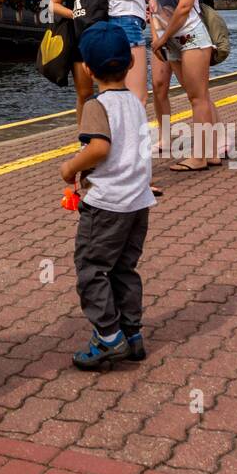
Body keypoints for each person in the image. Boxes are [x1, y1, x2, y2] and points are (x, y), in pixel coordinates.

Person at [60, 21, 155, 370]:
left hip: (107, 205)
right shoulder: (134, 103)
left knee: (91, 269)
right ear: (131, 63)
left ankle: (109, 338)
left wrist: (71, 167)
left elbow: (99, 147)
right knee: (124, 268)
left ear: (87, 68)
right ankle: (132, 334)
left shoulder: (96, 106)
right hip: (138, 202)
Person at [141, 0, 224, 160]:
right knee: (193, 95)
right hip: (172, 43)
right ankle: (211, 154)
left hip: (191, 38)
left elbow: (185, 7)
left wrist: (163, 39)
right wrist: (158, 39)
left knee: (198, 97)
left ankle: (201, 155)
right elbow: (155, 13)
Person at [49, 0, 94, 126]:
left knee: (110, 89)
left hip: (103, 35)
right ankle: (84, 136)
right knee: (84, 93)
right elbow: (53, 4)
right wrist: (75, 14)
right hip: (79, 38)